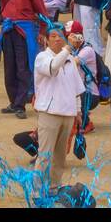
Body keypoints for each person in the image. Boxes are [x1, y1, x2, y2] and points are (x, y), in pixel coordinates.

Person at [33, 25, 85, 190]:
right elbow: (52, 67)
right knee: (45, 155)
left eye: (59, 36)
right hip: (49, 113)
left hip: (68, 112)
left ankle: (54, 187)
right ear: (47, 40)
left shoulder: (69, 59)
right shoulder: (42, 57)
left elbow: (76, 88)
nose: (57, 39)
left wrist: (78, 110)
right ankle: (37, 191)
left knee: (60, 156)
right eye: (53, 36)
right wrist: (67, 50)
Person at [0, 0, 47, 118]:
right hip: (8, 28)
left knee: (23, 66)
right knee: (9, 67)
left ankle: (20, 103)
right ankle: (14, 101)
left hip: (24, 30)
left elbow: (41, 10)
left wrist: (42, 31)